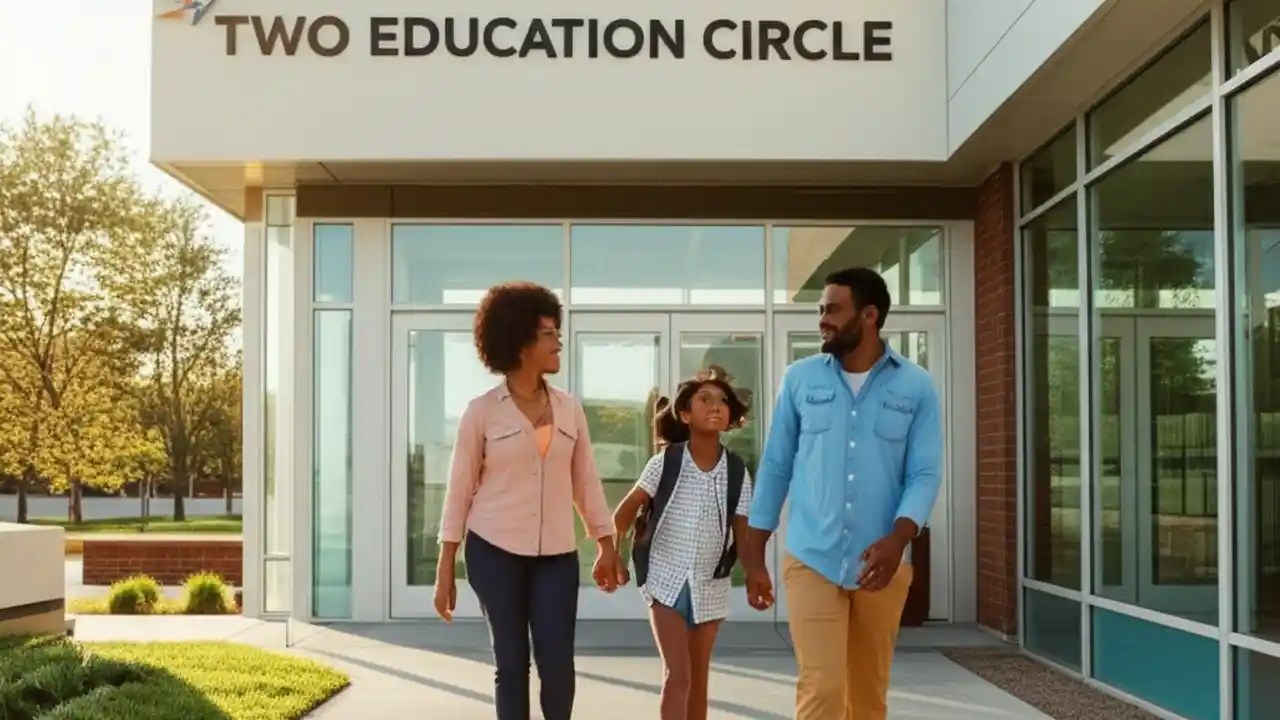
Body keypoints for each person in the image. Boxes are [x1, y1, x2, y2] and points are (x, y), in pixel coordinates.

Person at [741, 267, 942, 720]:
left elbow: (925, 473)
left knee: (867, 699)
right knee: (823, 689)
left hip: (883, 565)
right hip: (812, 556)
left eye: (833, 309)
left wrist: (898, 541)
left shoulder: (916, 386)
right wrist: (753, 555)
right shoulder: (800, 379)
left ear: (869, 315)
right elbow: (776, 466)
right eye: (821, 310)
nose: (822, 320)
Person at [434, 281, 626, 720]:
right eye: (548, 333)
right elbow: (459, 491)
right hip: (493, 550)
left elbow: (586, 482)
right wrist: (446, 566)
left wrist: (606, 543)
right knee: (512, 665)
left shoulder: (569, 408)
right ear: (520, 341)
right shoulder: (481, 412)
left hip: (556, 555)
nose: (559, 341)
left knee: (558, 665)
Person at [613, 372, 754, 720]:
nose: (715, 406)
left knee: (699, 679)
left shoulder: (737, 471)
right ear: (685, 414)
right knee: (679, 675)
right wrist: (612, 556)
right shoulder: (665, 463)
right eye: (704, 399)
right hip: (665, 581)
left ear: (730, 417)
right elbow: (623, 514)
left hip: (710, 586)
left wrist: (756, 574)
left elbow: (743, 532)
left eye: (722, 401)